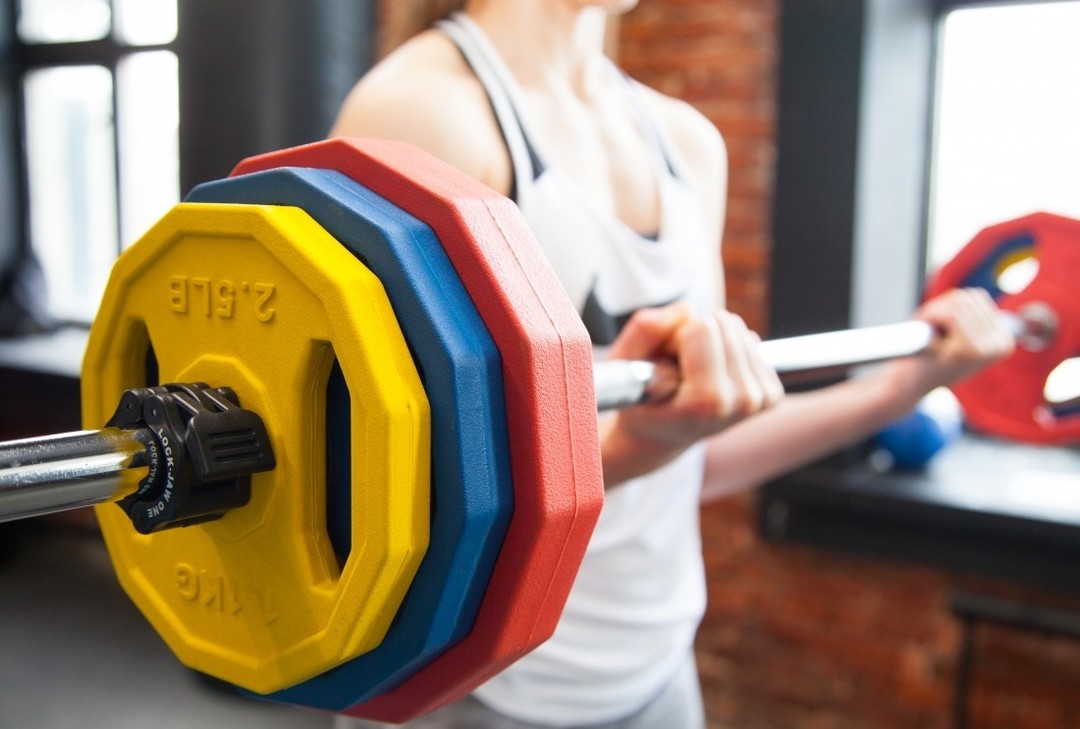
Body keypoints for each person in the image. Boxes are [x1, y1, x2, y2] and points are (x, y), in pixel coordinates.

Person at [329, 1, 1014, 727]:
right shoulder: (419, 115)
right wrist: (633, 443)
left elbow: (695, 454)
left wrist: (900, 389)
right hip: (476, 682)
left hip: (657, 669)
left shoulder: (685, 142)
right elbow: (375, 484)